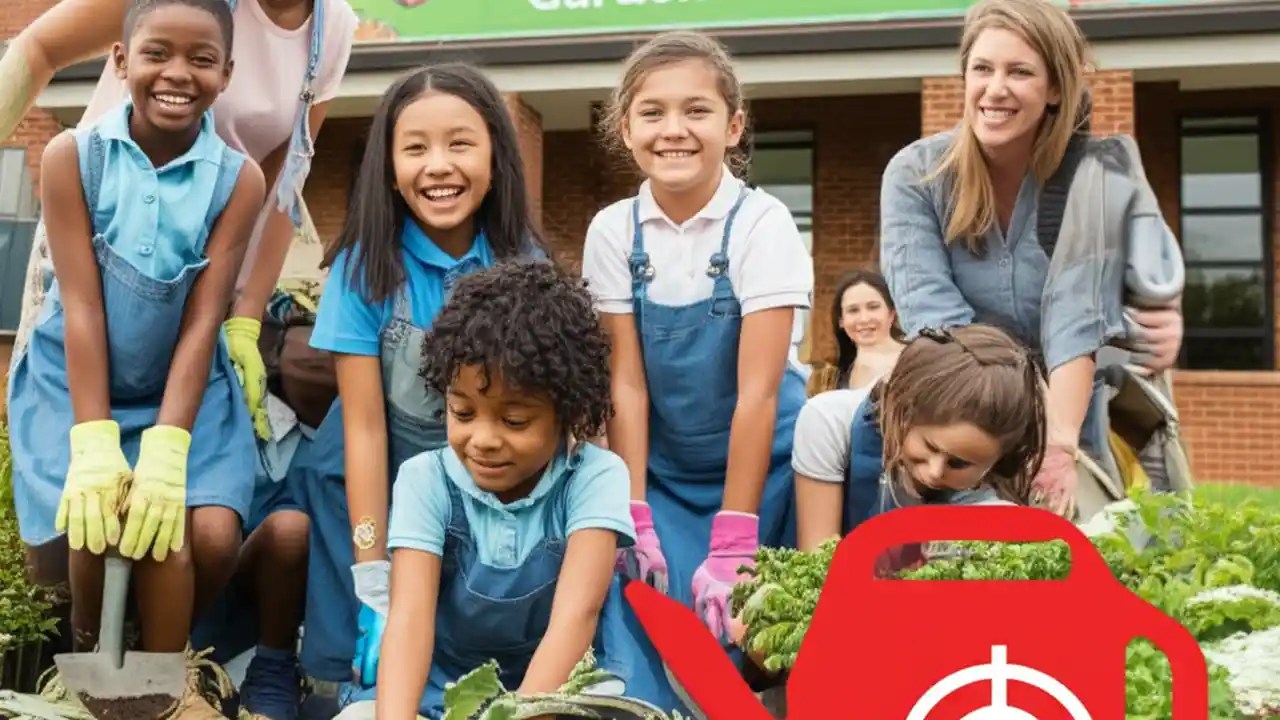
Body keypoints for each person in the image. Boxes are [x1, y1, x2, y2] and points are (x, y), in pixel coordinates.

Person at [2, 0, 358, 711]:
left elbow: (285, 180)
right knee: (82, 529)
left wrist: (245, 319)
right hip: (93, 308)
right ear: (121, 61)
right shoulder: (79, 158)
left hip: (198, 297)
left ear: (224, 73)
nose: (179, 73)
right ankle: (85, 669)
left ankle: (168, 682)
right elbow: (37, 48)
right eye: (157, 55)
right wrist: (96, 437)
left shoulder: (332, 31)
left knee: (194, 529)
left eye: (201, 61)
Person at [288, 62, 550, 712]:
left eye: (460, 144)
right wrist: (373, 573)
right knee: (361, 676)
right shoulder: (362, 268)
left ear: (496, 153)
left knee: (467, 668)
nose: (438, 166)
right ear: (389, 164)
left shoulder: (526, 265)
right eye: (415, 148)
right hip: (366, 486)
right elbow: (365, 431)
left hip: (478, 491)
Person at [581, 30, 813, 715]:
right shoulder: (613, 231)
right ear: (625, 128)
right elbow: (626, 386)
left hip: (764, 466)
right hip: (664, 470)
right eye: (652, 113)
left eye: (697, 111)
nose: (674, 130)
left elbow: (759, 393)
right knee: (645, 614)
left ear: (733, 125)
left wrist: (737, 537)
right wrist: (634, 508)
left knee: (759, 631)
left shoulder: (762, 224)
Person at [878, 0, 1184, 518]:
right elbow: (935, 318)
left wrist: (1057, 446)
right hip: (960, 407)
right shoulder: (915, 175)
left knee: (1086, 555)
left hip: (1071, 407)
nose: (996, 89)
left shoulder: (1096, 176)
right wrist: (1019, 425)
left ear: (1056, 89)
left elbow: (1076, 314)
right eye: (983, 69)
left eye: (1020, 72)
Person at [330, 259, 635, 719]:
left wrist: (516, 716)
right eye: (463, 413)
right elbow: (410, 621)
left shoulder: (596, 477)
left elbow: (576, 618)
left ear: (568, 412)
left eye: (515, 421)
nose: (484, 440)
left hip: (559, 690)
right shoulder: (424, 479)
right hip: (444, 689)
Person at [792, 324, 1044, 552]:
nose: (935, 472)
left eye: (959, 464)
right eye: (929, 446)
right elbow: (818, 556)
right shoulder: (831, 422)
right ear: (903, 409)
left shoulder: (992, 511)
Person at [805, 268, 905, 396]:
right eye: (853, 310)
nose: (864, 319)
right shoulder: (830, 379)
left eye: (873, 307)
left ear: (891, 313)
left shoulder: (916, 361)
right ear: (841, 320)